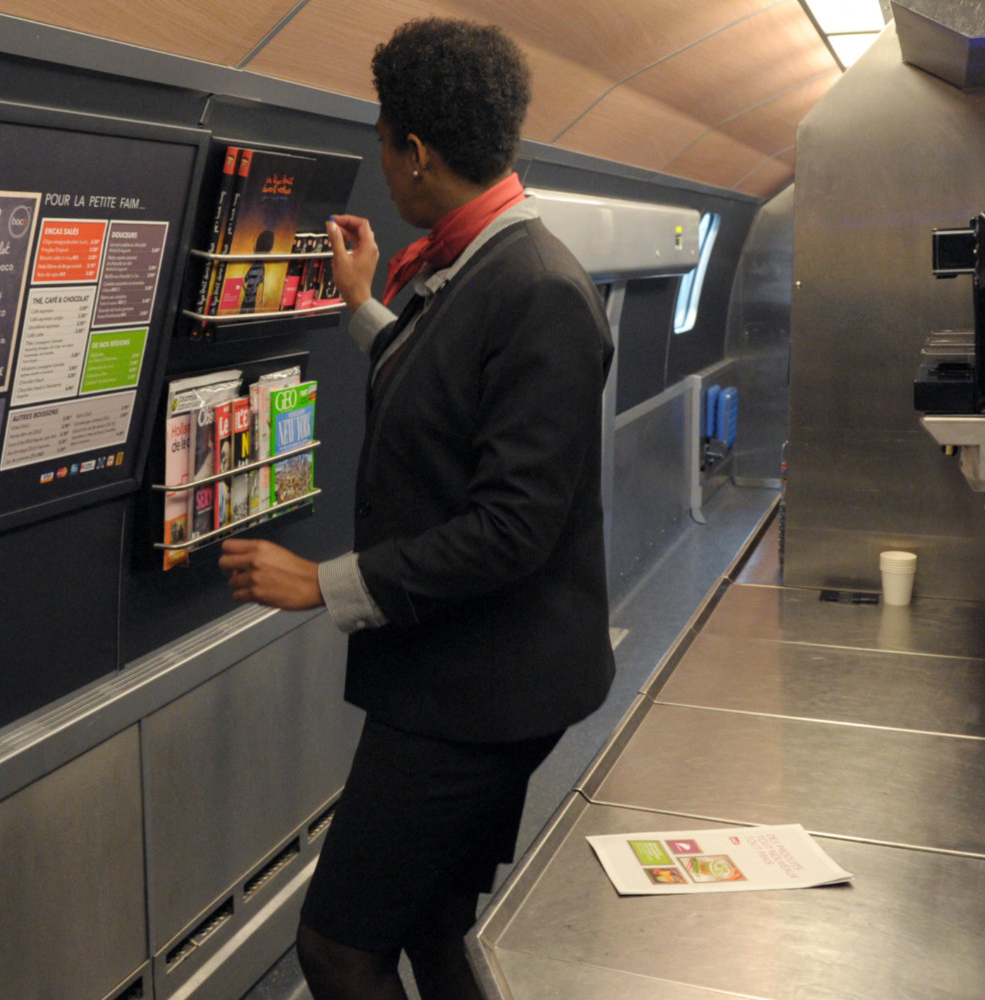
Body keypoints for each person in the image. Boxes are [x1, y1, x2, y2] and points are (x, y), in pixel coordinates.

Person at [217, 17, 615, 1000]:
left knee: (336, 948)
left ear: (414, 152)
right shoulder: (474, 264)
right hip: (466, 671)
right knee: (433, 926)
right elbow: (451, 397)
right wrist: (360, 307)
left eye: (381, 137)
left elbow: (512, 527)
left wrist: (325, 583)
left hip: (478, 691)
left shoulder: (537, 288)